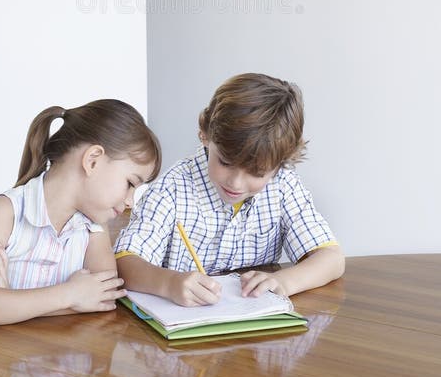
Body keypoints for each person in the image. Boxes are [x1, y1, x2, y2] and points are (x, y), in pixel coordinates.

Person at [115, 73, 344, 306]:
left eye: (256, 172)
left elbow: (332, 259)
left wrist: (283, 282)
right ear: (205, 135)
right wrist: (169, 283)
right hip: (184, 321)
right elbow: (124, 262)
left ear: (280, 165)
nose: (236, 183)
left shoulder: (284, 186)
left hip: (253, 320)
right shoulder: (171, 190)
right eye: (225, 162)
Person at [0, 99, 161, 331]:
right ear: (92, 160)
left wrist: (8, 305)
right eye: (130, 183)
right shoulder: (4, 212)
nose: (130, 201)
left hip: (44, 350)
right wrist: (70, 295)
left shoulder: (94, 228)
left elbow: (104, 300)